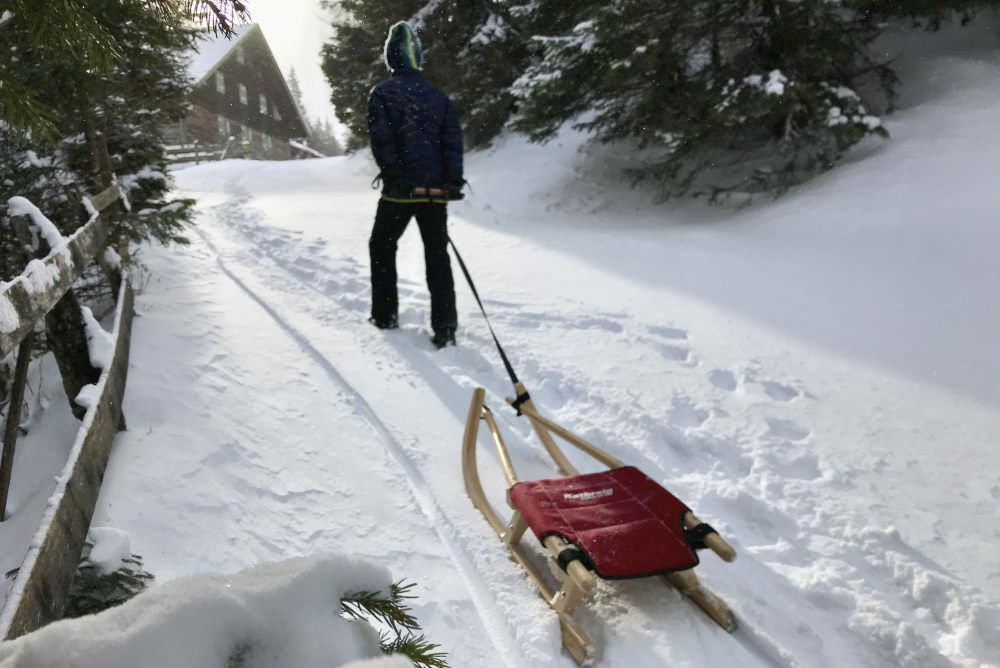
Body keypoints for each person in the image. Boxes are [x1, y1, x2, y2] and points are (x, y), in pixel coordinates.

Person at [367, 20, 464, 349]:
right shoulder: (439, 98)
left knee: (381, 246)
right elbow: (452, 142)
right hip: (436, 194)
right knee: (437, 255)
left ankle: (385, 315)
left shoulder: (382, 94)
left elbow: (383, 142)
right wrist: (452, 181)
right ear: (418, 58)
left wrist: (395, 176)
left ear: (391, 59)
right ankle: (446, 328)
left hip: (400, 194)